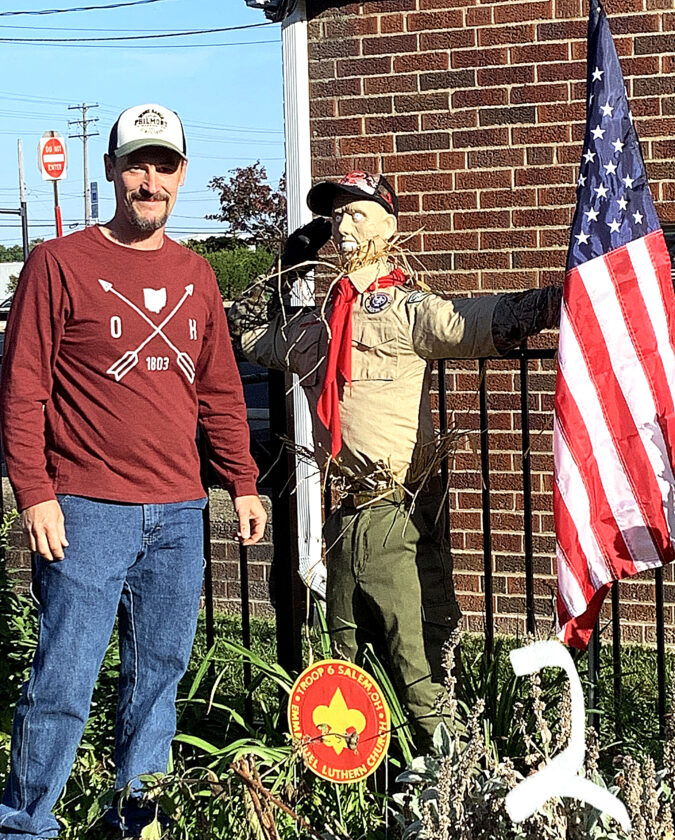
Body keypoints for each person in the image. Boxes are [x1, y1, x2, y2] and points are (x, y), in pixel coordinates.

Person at [0, 103, 266, 839]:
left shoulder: (196, 274)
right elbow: (24, 388)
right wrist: (36, 493)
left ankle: (135, 820)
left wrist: (241, 481)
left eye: (165, 165)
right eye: (137, 164)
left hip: (179, 512)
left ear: (183, 175)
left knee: (157, 684)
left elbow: (217, 388)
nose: (150, 180)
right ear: (112, 169)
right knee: (62, 682)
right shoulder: (59, 264)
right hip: (85, 509)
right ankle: (25, 826)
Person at [228, 170, 560, 747]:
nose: (343, 226)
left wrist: (564, 298)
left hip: (398, 508)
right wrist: (290, 263)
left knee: (417, 656)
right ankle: (367, 781)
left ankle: (443, 775)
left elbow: (480, 323)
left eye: (358, 213)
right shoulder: (317, 327)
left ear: (390, 225)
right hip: (345, 516)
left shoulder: (408, 311)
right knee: (346, 661)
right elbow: (244, 331)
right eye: (336, 217)